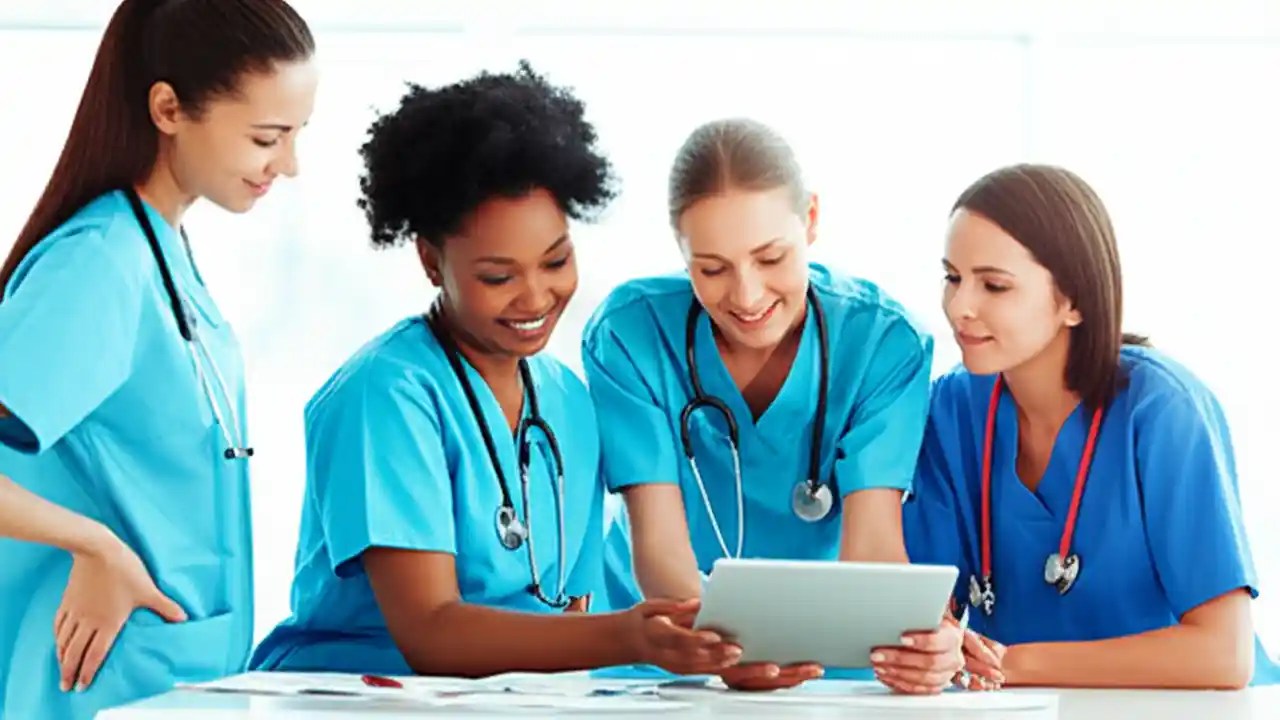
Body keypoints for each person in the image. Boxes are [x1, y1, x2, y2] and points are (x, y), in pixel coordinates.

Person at [250, 62, 742, 680]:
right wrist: (631, 637)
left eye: (556, 260)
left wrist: (711, 650)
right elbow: (430, 632)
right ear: (431, 260)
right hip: (358, 690)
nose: (535, 297)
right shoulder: (387, 395)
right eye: (498, 277)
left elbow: (568, 618)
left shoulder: (568, 402)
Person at [0, 1, 317, 717]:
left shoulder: (161, 249)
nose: (289, 165)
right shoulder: (101, 262)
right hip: (93, 686)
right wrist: (96, 547)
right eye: (268, 137)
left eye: (296, 136)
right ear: (169, 109)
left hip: (171, 676)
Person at [583, 118, 969, 693]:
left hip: (830, 663)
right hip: (671, 653)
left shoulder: (883, 342)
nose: (746, 295)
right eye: (711, 269)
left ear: (810, 219)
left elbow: (873, 549)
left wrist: (921, 643)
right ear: (681, 251)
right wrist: (719, 649)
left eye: (770, 258)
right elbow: (658, 547)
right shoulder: (630, 332)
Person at [902, 162, 1280, 689]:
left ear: (1074, 301)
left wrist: (1008, 663)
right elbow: (923, 614)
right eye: (952, 277)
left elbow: (1223, 655)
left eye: (994, 285)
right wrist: (932, 650)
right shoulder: (953, 406)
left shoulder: (1163, 410)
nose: (959, 306)